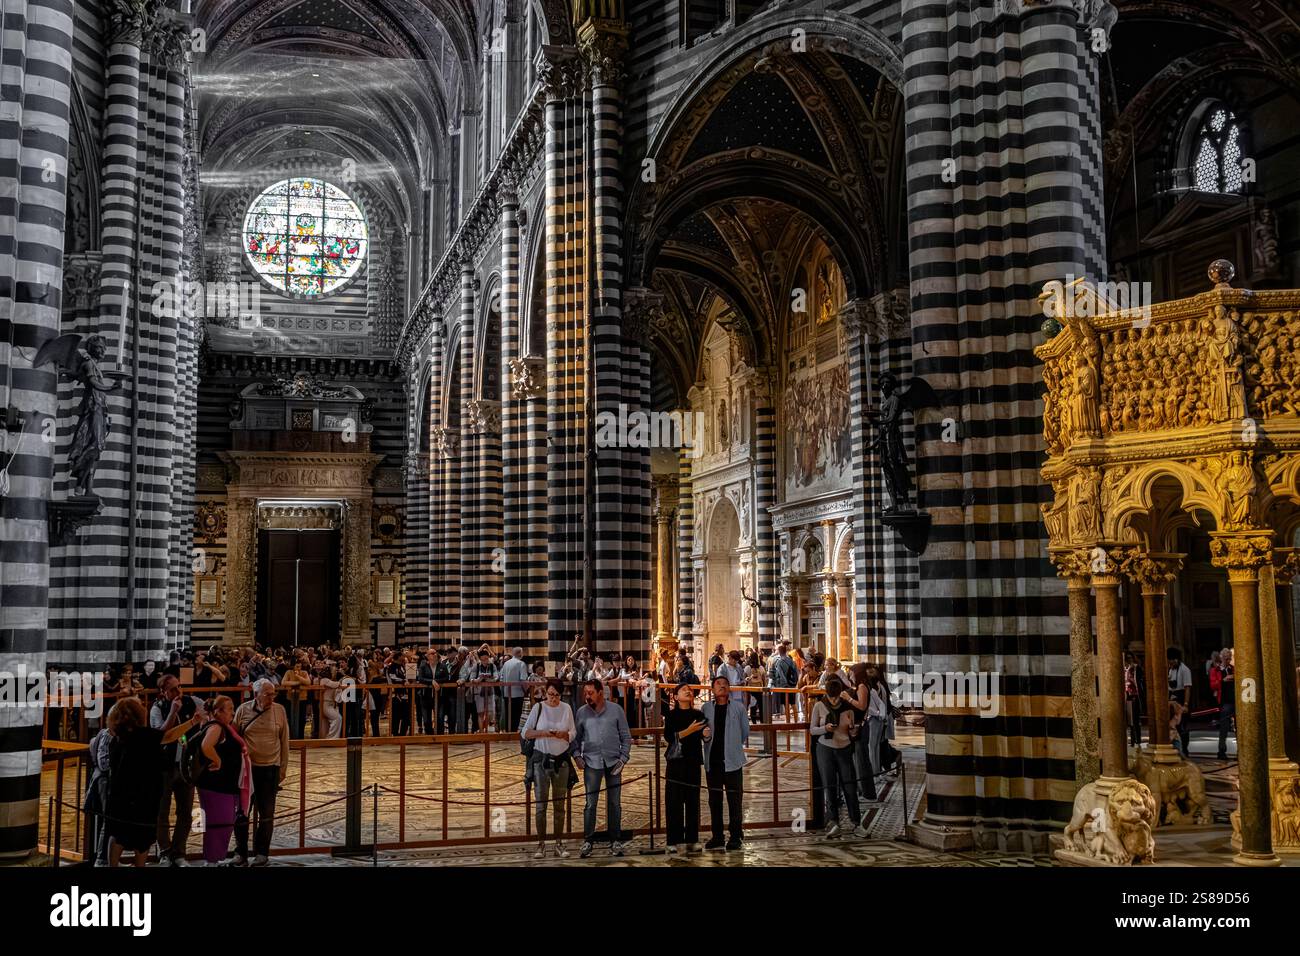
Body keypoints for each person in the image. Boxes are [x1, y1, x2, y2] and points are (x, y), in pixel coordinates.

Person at [103, 698, 198, 867]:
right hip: (143, 795)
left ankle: (113, 865)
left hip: (119, 794)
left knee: (117, 834)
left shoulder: (116, 737)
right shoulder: (144, 735)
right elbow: (169, 735)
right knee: (143, 838)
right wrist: (192, 722)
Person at [232, 679, 290, 866]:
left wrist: (283, 768)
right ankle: (240, 852)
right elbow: (234, 737)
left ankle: (262, 852)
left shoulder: (279, 710)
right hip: (247, 770)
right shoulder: (243, 710)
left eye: (273, 694)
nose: (272, 697)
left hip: (270, 768)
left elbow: (284, 740)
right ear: (256, 694)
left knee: (267, 814)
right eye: (268, 694)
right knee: (242, 813)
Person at [572, 678, 632, 858]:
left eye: (590, 693)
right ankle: (588, 840)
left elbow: (626, 737)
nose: (587, 696)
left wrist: (623, 758)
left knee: (614, 803)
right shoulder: (582, 713)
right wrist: (577, 757)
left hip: (614, 762)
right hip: (592, 762)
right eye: (585, 693)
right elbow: (575, 739)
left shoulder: (616, 710)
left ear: (600, 692)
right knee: (591, 803)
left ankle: (615, 839)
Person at [150, 674, 206, 866]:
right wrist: (173, 712)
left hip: (187, 765)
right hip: (164, 766)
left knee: (185, 811)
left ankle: (179, 852)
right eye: (172, 689)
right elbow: (161, 735)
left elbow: (209, 713)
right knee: (162, 811)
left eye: (179, 687)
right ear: (163, 692)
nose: (178, 692)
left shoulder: (193, 702)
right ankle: (164, 851)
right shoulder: (157, 708)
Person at [522, 679, 576, 859]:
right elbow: (526, 732)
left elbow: (573, 733)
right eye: (550, 694)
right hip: (541, 761)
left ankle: (558, 842)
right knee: (541, 805)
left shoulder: (566, 709)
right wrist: (544, 733)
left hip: (561, 761)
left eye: (557, 695)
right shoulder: (538, 708)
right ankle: (541, 843)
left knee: (559, 804)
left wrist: (564, 735)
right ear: (545, 692)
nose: (553, 698)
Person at [195, 695, 250, 866]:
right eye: (230, 709)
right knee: (218, 824)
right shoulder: (217, 727)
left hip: (224, 785)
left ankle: (214, 859)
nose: (233, 712)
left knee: (223, 823)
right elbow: (206, 746)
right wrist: (217, 760)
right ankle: (211, 861)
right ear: (218, 712)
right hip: (216, 786)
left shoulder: (224, 726)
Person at [811, 677, 867, 839]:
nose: (834, 700)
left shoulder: (848, 708)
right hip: (825, 749)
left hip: (844, 749)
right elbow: (812, 730)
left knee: (849, 786)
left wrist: (853, 730)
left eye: (836, 697)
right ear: (827, 694)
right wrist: (825, 728)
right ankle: (834, 822)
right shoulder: (819, 706)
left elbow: (852, 730)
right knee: (830, 786)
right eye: (831, 697)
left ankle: (857, 822)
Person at [701, 674, 748, 850]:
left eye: (725, 684)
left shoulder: (738, 708)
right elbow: (703, 732)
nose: (722, 686)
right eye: (718, 684)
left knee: (735, 801)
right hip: (713, 763)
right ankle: (717, 836)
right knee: (714, 801)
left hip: (733, 761)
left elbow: (744, 732)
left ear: (729, 689)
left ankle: (735, 836)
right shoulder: (706, 708)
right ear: (712, 689)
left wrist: (733, 745)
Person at [663, 682, 706, 852]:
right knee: (674, 801)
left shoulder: (698, 714)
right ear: (675, 696)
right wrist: (689, 731)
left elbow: (705, 735)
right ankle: (672, 840)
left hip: (693, 761)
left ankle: (692, 839)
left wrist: (705, 734)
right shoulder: (671, 715)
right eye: (683, 690)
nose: (688, 691)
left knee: (693, 801)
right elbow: (669, 737)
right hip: (676, 762)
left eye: (689, 689)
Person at [843, 663, 879, 804]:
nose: (850, 674)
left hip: (861, 728)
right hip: (857, 726)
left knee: (862, 761)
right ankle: (862, 790)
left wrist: (848, 698)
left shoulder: (862, 686)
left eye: (852, 672)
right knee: (858, 761)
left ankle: (869, 793)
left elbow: (862, 706)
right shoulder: (858, 686)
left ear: (857, 673)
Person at [1168, 647, 1193, 757]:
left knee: (1182, 727)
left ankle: (1184, 750)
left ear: (1177, 659)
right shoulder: (1170, 669)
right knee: (1172, 727)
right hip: (1171, 697)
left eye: (1172, 660)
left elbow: (1187, 687)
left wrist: (1186, 704)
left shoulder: (1184, 669)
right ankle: (1174, 749)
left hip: (1181, 697)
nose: (1170, 663)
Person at [468, 649, 499, 732]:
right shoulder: (476, 666)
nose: (485, 661)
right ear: (480, 659)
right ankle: (482, 731)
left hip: (490, 691)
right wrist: (478, 679)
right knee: (480, 713)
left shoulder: (492, 666)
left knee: (491, 713)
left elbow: (496, 676)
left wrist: (491, 680)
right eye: (483, 659)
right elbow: (471, 678)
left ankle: (484, 728)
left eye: (486, 659)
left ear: (489, 657)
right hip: (479, 692)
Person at [499, 647, 529, 731]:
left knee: (508, 714)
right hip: (517, 694)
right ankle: (513, 732)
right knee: (516, 715)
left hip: (506, 693)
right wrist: (526, 691)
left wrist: (503, 691)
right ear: (520, 653)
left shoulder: (506, 663)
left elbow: (501, 678)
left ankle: (508, 732)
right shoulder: (521, 664)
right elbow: (523, 679)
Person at [769, 641, 799, 722]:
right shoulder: (792, 661)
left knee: (786, 704)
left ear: (779, 651)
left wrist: (778, 683)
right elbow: (796, 673)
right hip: (792, 686)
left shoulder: (778, 661)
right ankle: (796, 722)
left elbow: (778, 674)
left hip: (783, 686)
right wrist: (794, 683)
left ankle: (788, 722)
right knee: (793, 704)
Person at [1216, 648, 1235, 760]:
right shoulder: (1216, 670)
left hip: (1234, 700)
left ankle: (1241, 751)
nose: (1228, 661)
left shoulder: (1233, 669)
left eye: (1229, 659)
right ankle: (1221, 751)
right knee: (1224, 727)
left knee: (1239, 727)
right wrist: (1223, 680)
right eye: (1226, 659)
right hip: (1225, 701)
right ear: (1221, 658)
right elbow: (1213, 684)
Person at [318, 664, 344, 739]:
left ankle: (330, 737)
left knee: (328, 722)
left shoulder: (330, 680)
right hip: (326, 704)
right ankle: (331, 737)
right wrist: (340, 683)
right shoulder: (324, 680)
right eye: (333, 671)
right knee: (338, 718)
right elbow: (334, 684)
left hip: (331, 704)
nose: (335, 672)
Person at [1124, 652, 1144, 747]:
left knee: (1135, 719)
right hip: (1126, 696)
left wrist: (1130, 681)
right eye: (1127, 658)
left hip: (1135, 696)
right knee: (1129, 720)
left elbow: (1140, 682)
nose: (1129, 660)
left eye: (1130, 658)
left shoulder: (1136, 668)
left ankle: (1138, 740)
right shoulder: (1125, 669)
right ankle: (1132, 740)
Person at [416, 648, 437, 734]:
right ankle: (428, 733)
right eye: (432, 653)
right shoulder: (423, 664)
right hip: (425, 694)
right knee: (426, 716)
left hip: (437, 694)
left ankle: (437, 733)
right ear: (427, 656)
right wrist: (431, 681)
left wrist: (437, 681)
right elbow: (421, 678)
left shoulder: (439, 664)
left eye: (435, 653)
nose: (434, 655)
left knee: (438, 716)